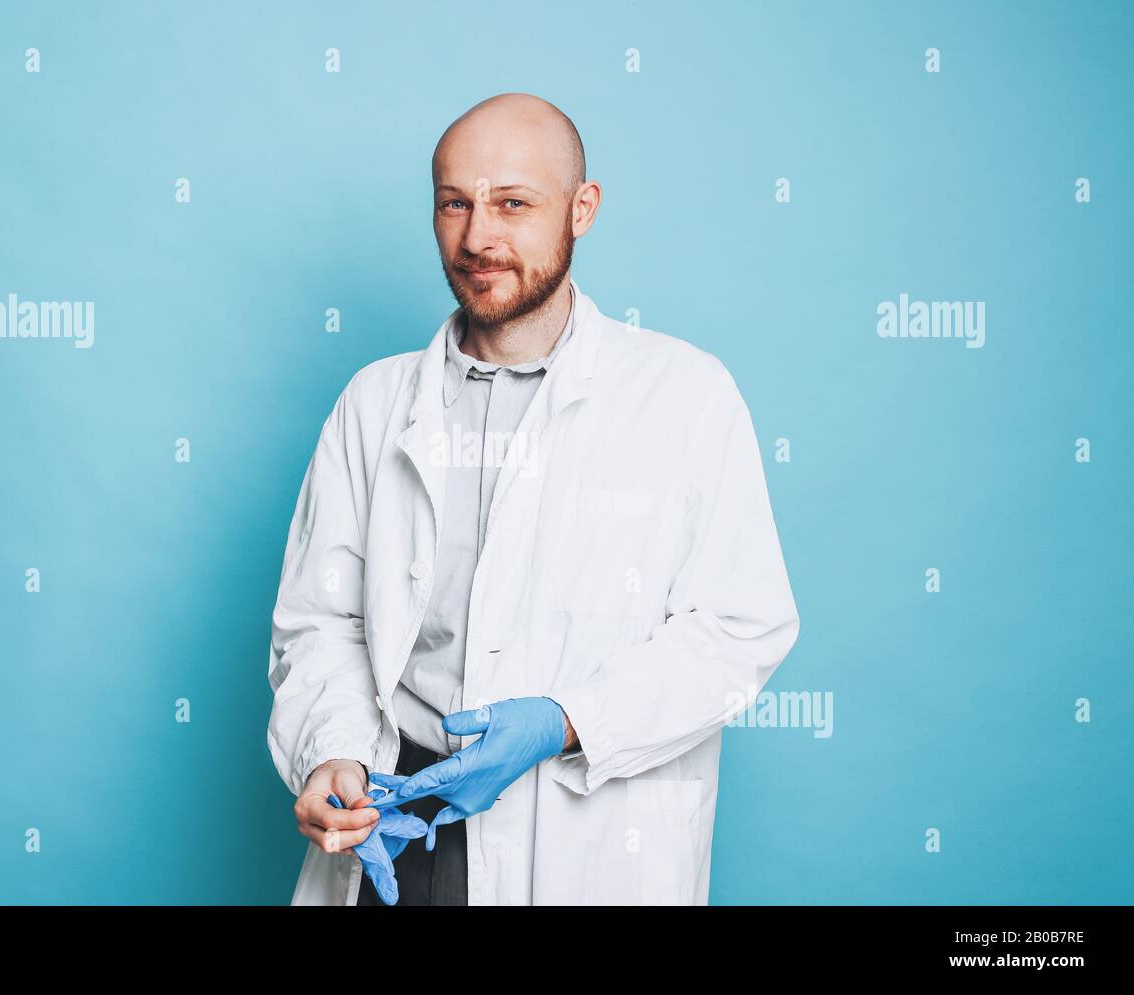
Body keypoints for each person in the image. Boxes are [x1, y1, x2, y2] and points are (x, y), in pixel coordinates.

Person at [267, 92, 800, 905]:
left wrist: (566, 720)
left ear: (582, 209)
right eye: (456, 203)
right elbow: (321, 621)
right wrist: (334, 751)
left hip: (585, 833)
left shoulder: (686, 395)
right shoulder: (373, 404)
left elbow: (741, 629)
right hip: (397, 823)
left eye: (514, 202)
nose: (479, 236)